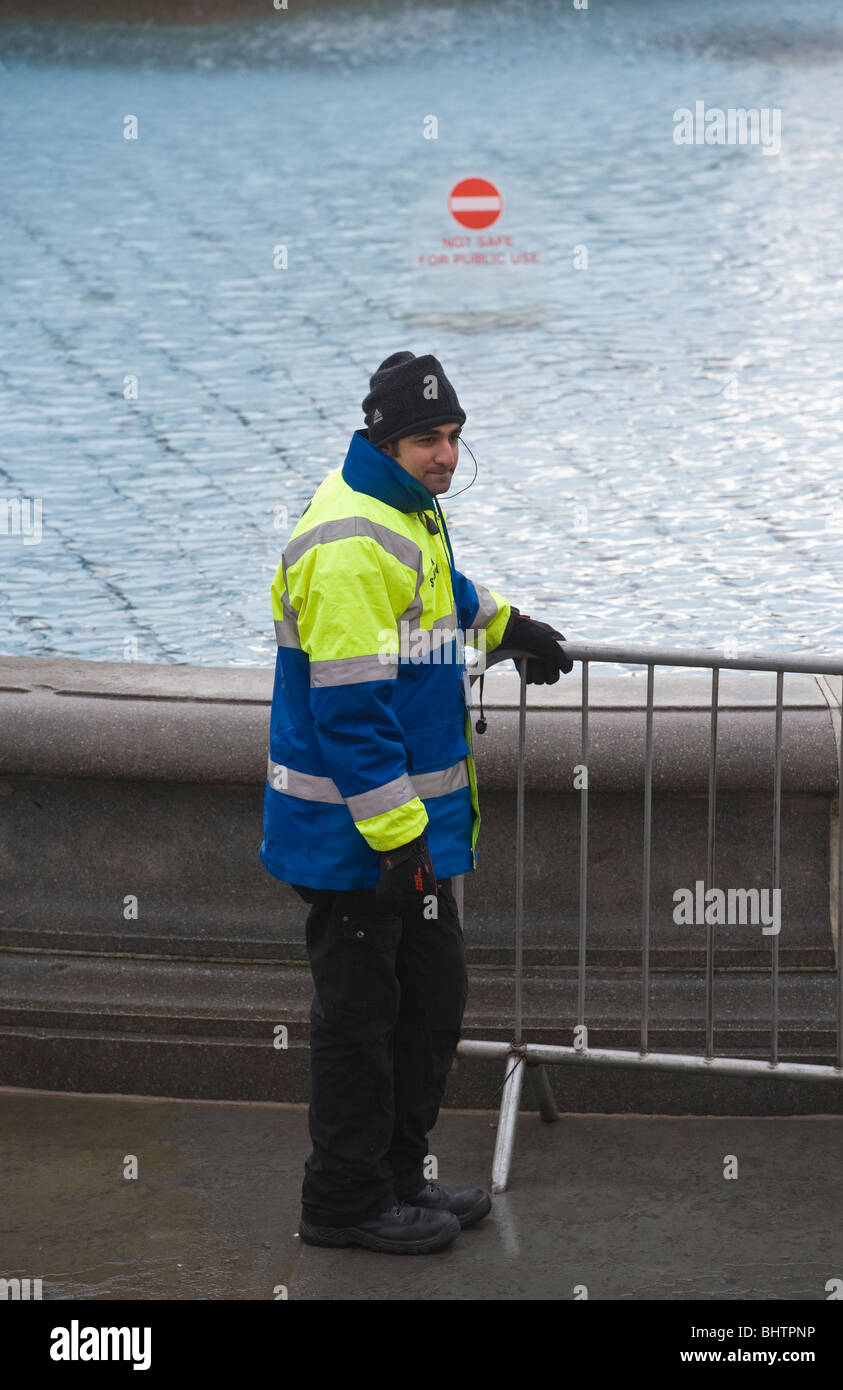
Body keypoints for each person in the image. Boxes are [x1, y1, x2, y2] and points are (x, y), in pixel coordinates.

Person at [259, 350, 572, 1254]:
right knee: (359, 1025)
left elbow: (437, 602)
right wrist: (399, 845)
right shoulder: (350, 540)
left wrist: (511, 626)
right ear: (384, 438)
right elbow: (351, 716)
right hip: (356, 841)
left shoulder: (405, 513)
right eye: (428, 438)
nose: (445, 454)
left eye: (453, 436)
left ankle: (400, 1178)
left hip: (402, 836)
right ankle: (344, 1201)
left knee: (429, 1002)